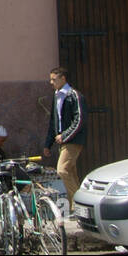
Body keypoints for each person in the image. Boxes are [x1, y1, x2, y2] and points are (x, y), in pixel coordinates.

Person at [43, 68, 85, 210]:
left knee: (62, 170)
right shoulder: (56, 96)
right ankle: (78, 206)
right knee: (71, 173)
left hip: (73, 141)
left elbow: (79, 120)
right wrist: (48, 144)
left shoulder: (74, 95)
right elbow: (54, 121)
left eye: (54, 79)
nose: (51, 82)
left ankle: (79, 202)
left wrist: (65, 135)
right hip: (63, 142)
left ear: (63, 79)